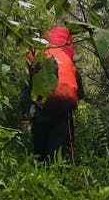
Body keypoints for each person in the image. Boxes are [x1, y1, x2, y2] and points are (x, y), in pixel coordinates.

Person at [25, 25, 84, 162]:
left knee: (40, 154)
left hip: (40, 111)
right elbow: (79, 94)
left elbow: (29, 87)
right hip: (62, 114)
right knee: (59, 155)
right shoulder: (68, 63)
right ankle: (61, 177)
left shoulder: (38, 57)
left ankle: (40, 176)